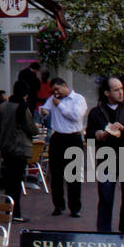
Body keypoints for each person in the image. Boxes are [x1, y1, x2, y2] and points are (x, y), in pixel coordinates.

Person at [86, 76, 124, 234]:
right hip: (106, 159)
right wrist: (98, 134)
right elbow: (89, 135)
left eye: (121, 88)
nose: (121, 92)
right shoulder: (96, 112)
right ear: (107, 93)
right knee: (106, 197)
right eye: (116, 90)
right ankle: (104, 233)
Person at [41, 76, 87, 217]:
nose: (56, 93)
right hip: (58, 137)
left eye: (57, 89)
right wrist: (43, 111)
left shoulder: (78, 99)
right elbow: (44, 109)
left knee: (73, 175)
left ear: (64, 86)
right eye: (53, 90)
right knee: (56, 175)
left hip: (73, 137)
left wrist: (59, 105)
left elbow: (75, 116)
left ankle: (75, 208)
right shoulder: (52, 99)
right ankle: (58, 205)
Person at [0, 79, 35, 220]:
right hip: (19, 148)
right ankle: (16, 213)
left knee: (9, 182)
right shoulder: (22, 107)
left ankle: (9, 210)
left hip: (6, 147)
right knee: (17, 182)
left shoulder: (4, 106)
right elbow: (31, 128)